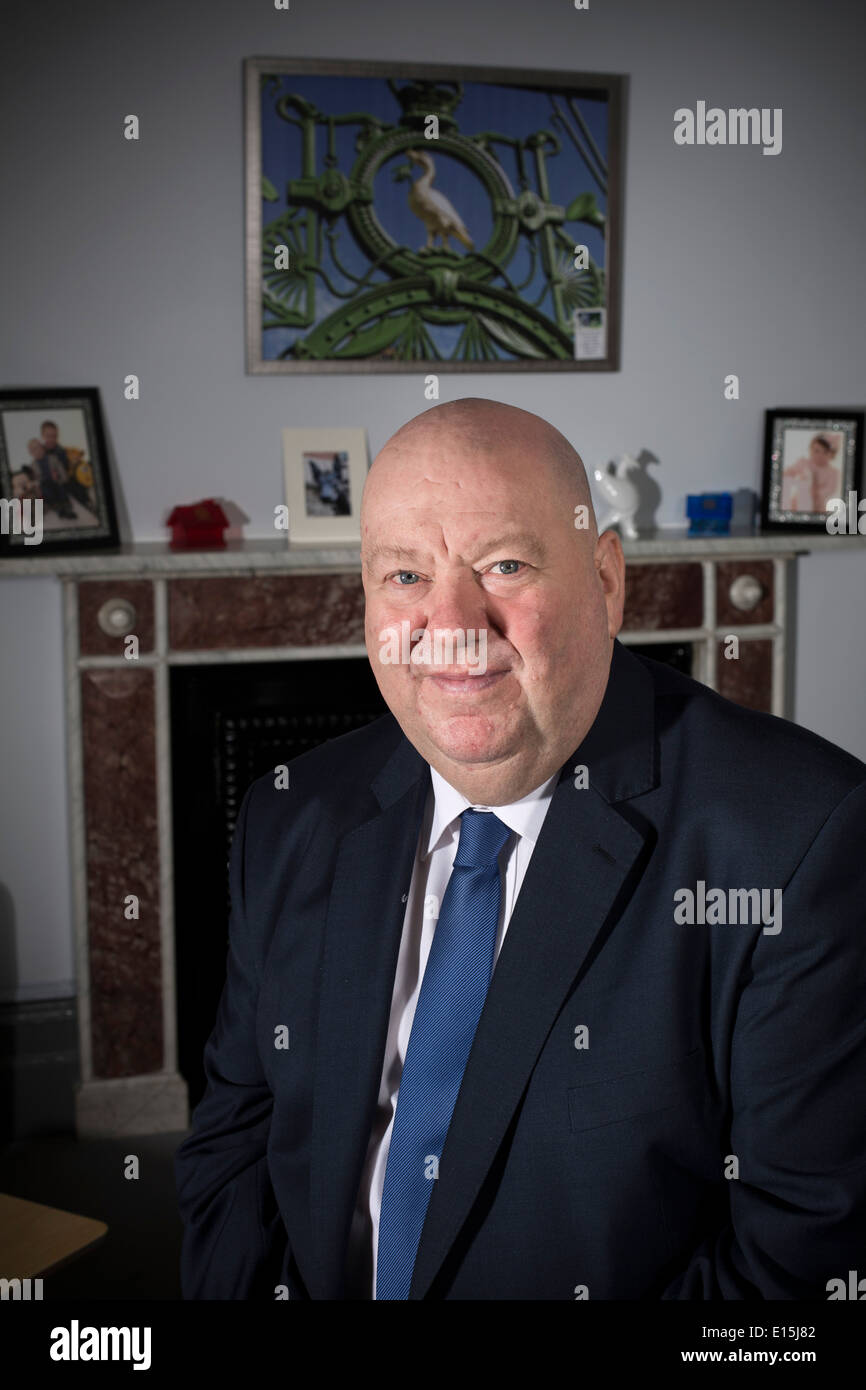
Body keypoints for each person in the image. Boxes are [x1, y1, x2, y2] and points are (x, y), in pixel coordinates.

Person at [175, 398, 866, 1300]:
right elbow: (235, 1138)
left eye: (504, 565)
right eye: (405, 577)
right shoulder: (292, 816)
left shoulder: (796, 842)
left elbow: (794, 1275)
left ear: (607, 582)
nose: (452, 623)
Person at [780, 432, 842, 513]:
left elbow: (831, 489)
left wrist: (817, 493)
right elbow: (791, 471)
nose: (820, 455)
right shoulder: (804, 463)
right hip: (799, 500)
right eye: (817, 451)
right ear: (810, 449)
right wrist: (787, 474)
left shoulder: (833, 472)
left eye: (825, 452)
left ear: (832, 455)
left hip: (818, 505)